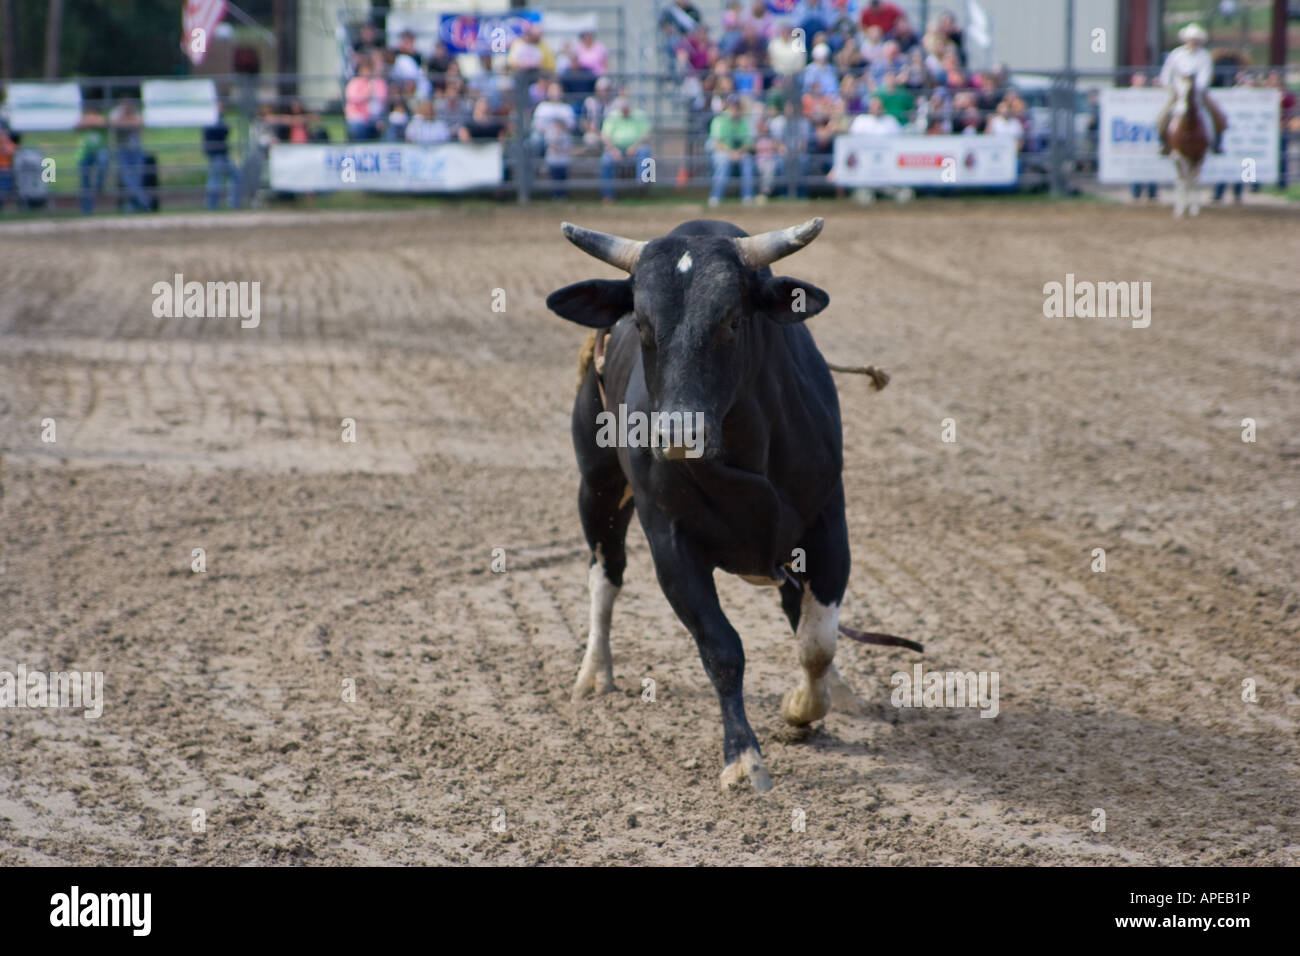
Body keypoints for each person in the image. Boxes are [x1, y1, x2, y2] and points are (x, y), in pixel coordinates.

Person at [1157, 23, 1226, 155]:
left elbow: (1204, 78)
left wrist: (1194, 88)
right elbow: (1166, 74)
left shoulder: (1204, 56)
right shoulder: (1176, 55)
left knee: (1217, 114)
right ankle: (1163, 142)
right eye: (1191, 39)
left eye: (1195, 40)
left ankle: (1217, 143)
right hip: (1178, 92)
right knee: (1162, 116)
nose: (1193, 42)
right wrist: (1172, 87)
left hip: (1198, 93)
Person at [599, 97, 652, 203]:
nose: (625, 111)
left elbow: (647, 134)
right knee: (605, 160)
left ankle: (643, 185)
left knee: (646, 152)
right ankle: (608, 196)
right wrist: (613, 150)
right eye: (622, 110)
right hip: (615, 149)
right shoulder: (613, 116)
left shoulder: (639, 115)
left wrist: (635, 146)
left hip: (636, 148)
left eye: (626, 109)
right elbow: (604, 136)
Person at [708, 94, 755, 207]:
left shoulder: (743, 122)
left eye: (737, 106)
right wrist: (731, 153)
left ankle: (747, 197)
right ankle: (715, 197)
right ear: (728, 107)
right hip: (722, 152)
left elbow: (748, 143)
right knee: (722, 161)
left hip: (738, 153)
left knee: (748, 161)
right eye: (732, 106)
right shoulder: (719, 120)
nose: (734, 109)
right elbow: (717, 143)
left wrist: (739, 152)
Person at [108, 100, 150, 212]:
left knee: (136, 178)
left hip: (136, 150)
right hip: (122, 150)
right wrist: (129, 123)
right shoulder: (116, 113)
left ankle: (134, 204)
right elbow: (114, 124)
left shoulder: (136, 114)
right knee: (128, 178)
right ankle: (144, 203)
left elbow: (139, 125)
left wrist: (126, 123)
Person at [202, 117, 239, 209]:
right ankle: (212, 204)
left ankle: (232, 203)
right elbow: (222, 132)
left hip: (221, 153)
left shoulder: (219, 118)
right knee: (215, 179)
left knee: (235, 175)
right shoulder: (211, 118)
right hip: (216, 153)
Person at [76, 111, 109, 214]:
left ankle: (98, 187)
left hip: (99, 150)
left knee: (102, 164)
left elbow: (104, 123)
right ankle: (87, 210)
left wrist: (90, 122)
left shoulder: (104, 116)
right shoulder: (82, 117)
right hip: (84, 153)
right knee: (85, 182)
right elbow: (77, 126)